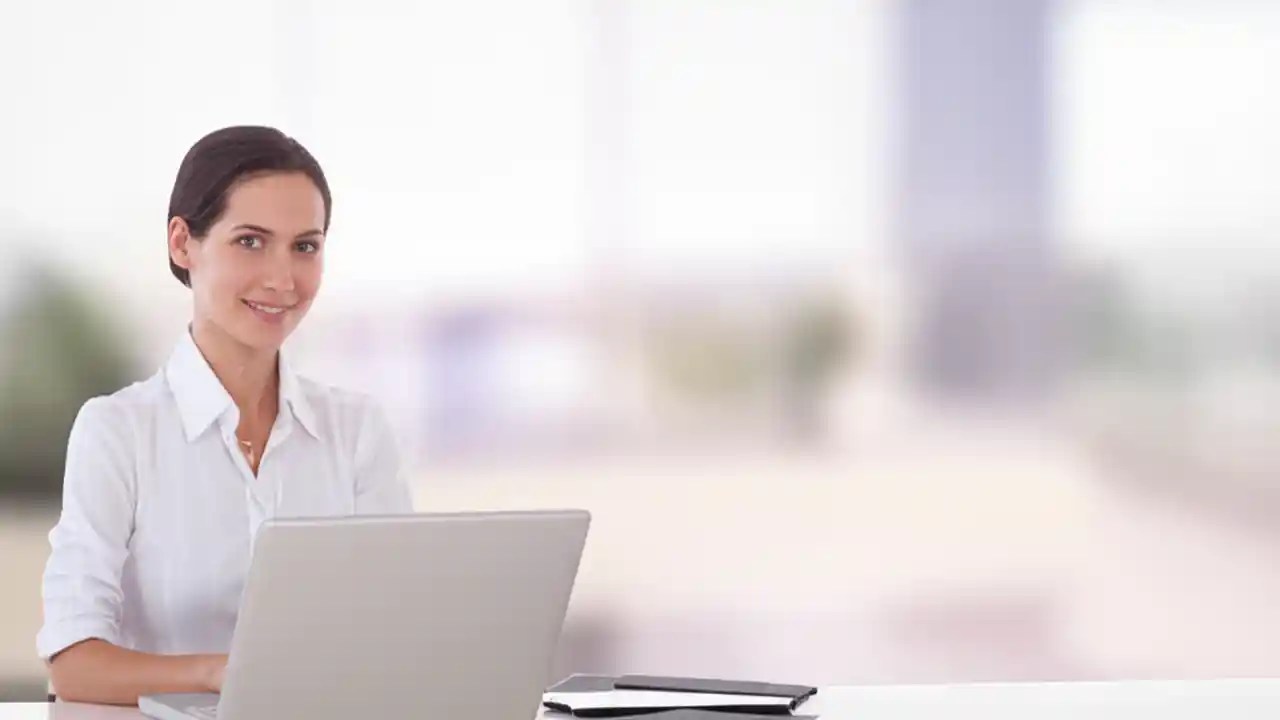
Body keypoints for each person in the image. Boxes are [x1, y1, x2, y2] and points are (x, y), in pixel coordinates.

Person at [36, 126, 413, 705]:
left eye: (305, 247)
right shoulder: (117, 432)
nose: (282, 279)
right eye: (250, 241)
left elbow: (400, 629)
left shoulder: (357, 431)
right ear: (182, 244)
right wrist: (227, 673)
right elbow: (75, 664)